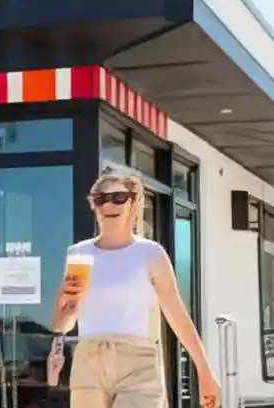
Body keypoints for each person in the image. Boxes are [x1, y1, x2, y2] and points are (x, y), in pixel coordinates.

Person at [50, 172, 220, 408]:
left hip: (138, 362)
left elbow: (177, 315)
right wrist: (65, 317)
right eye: (101, 198)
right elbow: (60, 324)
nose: (109, 204)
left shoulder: (150, 254)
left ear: (134, 203)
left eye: (118, 197)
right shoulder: (79, 254)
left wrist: (204, 373)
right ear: (94, 205)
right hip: (89, 360)